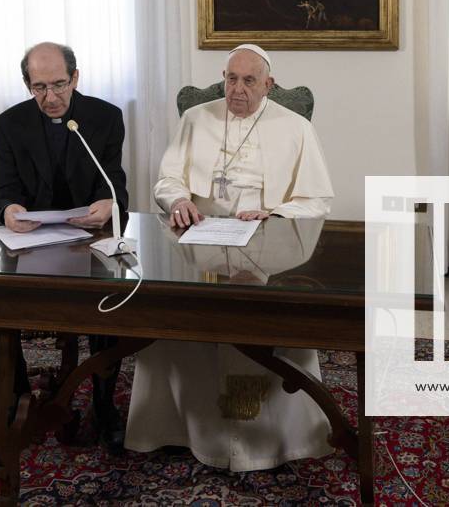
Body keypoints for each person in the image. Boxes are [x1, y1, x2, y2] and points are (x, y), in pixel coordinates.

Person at [125, 44, 335, 471]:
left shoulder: (294, 127)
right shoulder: (194, 119)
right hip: (200, 245)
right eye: (230, 79)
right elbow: (167, 179)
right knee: (174, 322)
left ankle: (271, 441)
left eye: (249, 81)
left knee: (260, 331)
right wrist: (180, 197)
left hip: (266, 250)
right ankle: (178, 429)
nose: (237, 90)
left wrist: (274, 211)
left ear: (269, 85)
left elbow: (315, 199)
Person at [0, 41, 130, 453]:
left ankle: (103, 406)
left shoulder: (104, 118)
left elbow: (113, 183)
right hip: (30, 242)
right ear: (27, 85)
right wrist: (8, 210)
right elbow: (1, 191)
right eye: (39, 87)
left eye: (60, 85)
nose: (51, 97)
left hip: (88, 239)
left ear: (76, 78)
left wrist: (109, 204)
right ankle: (16, 396)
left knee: (110, 297)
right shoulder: (9, 124)